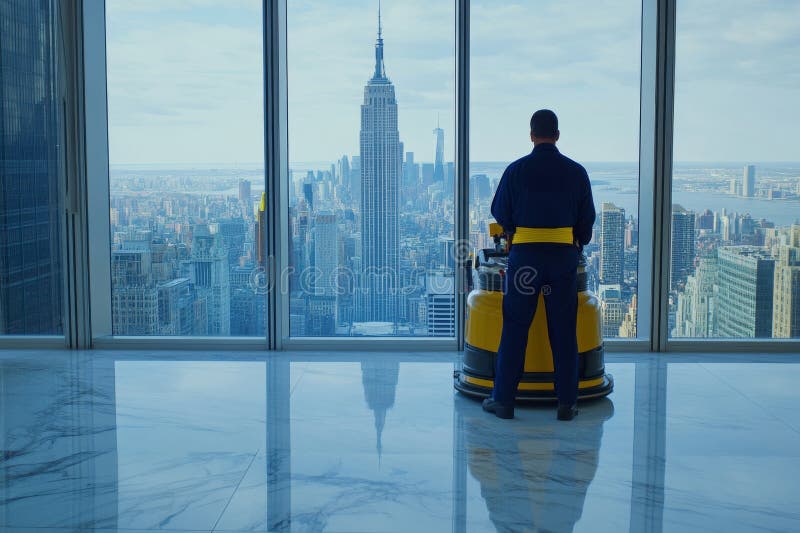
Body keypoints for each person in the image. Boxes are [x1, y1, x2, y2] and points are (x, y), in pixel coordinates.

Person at [482, 109, 596, 421]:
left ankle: (504, 401)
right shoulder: (577, 172)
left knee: (516, 327)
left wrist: (518, 230)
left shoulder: (516, 170)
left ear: (531, 135)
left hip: (525, 259)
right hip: (562, 257)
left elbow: (500, 212)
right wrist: (574, 241)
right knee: (563, 329)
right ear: (557, 135)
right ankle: (567, 404)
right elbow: (587, 222)